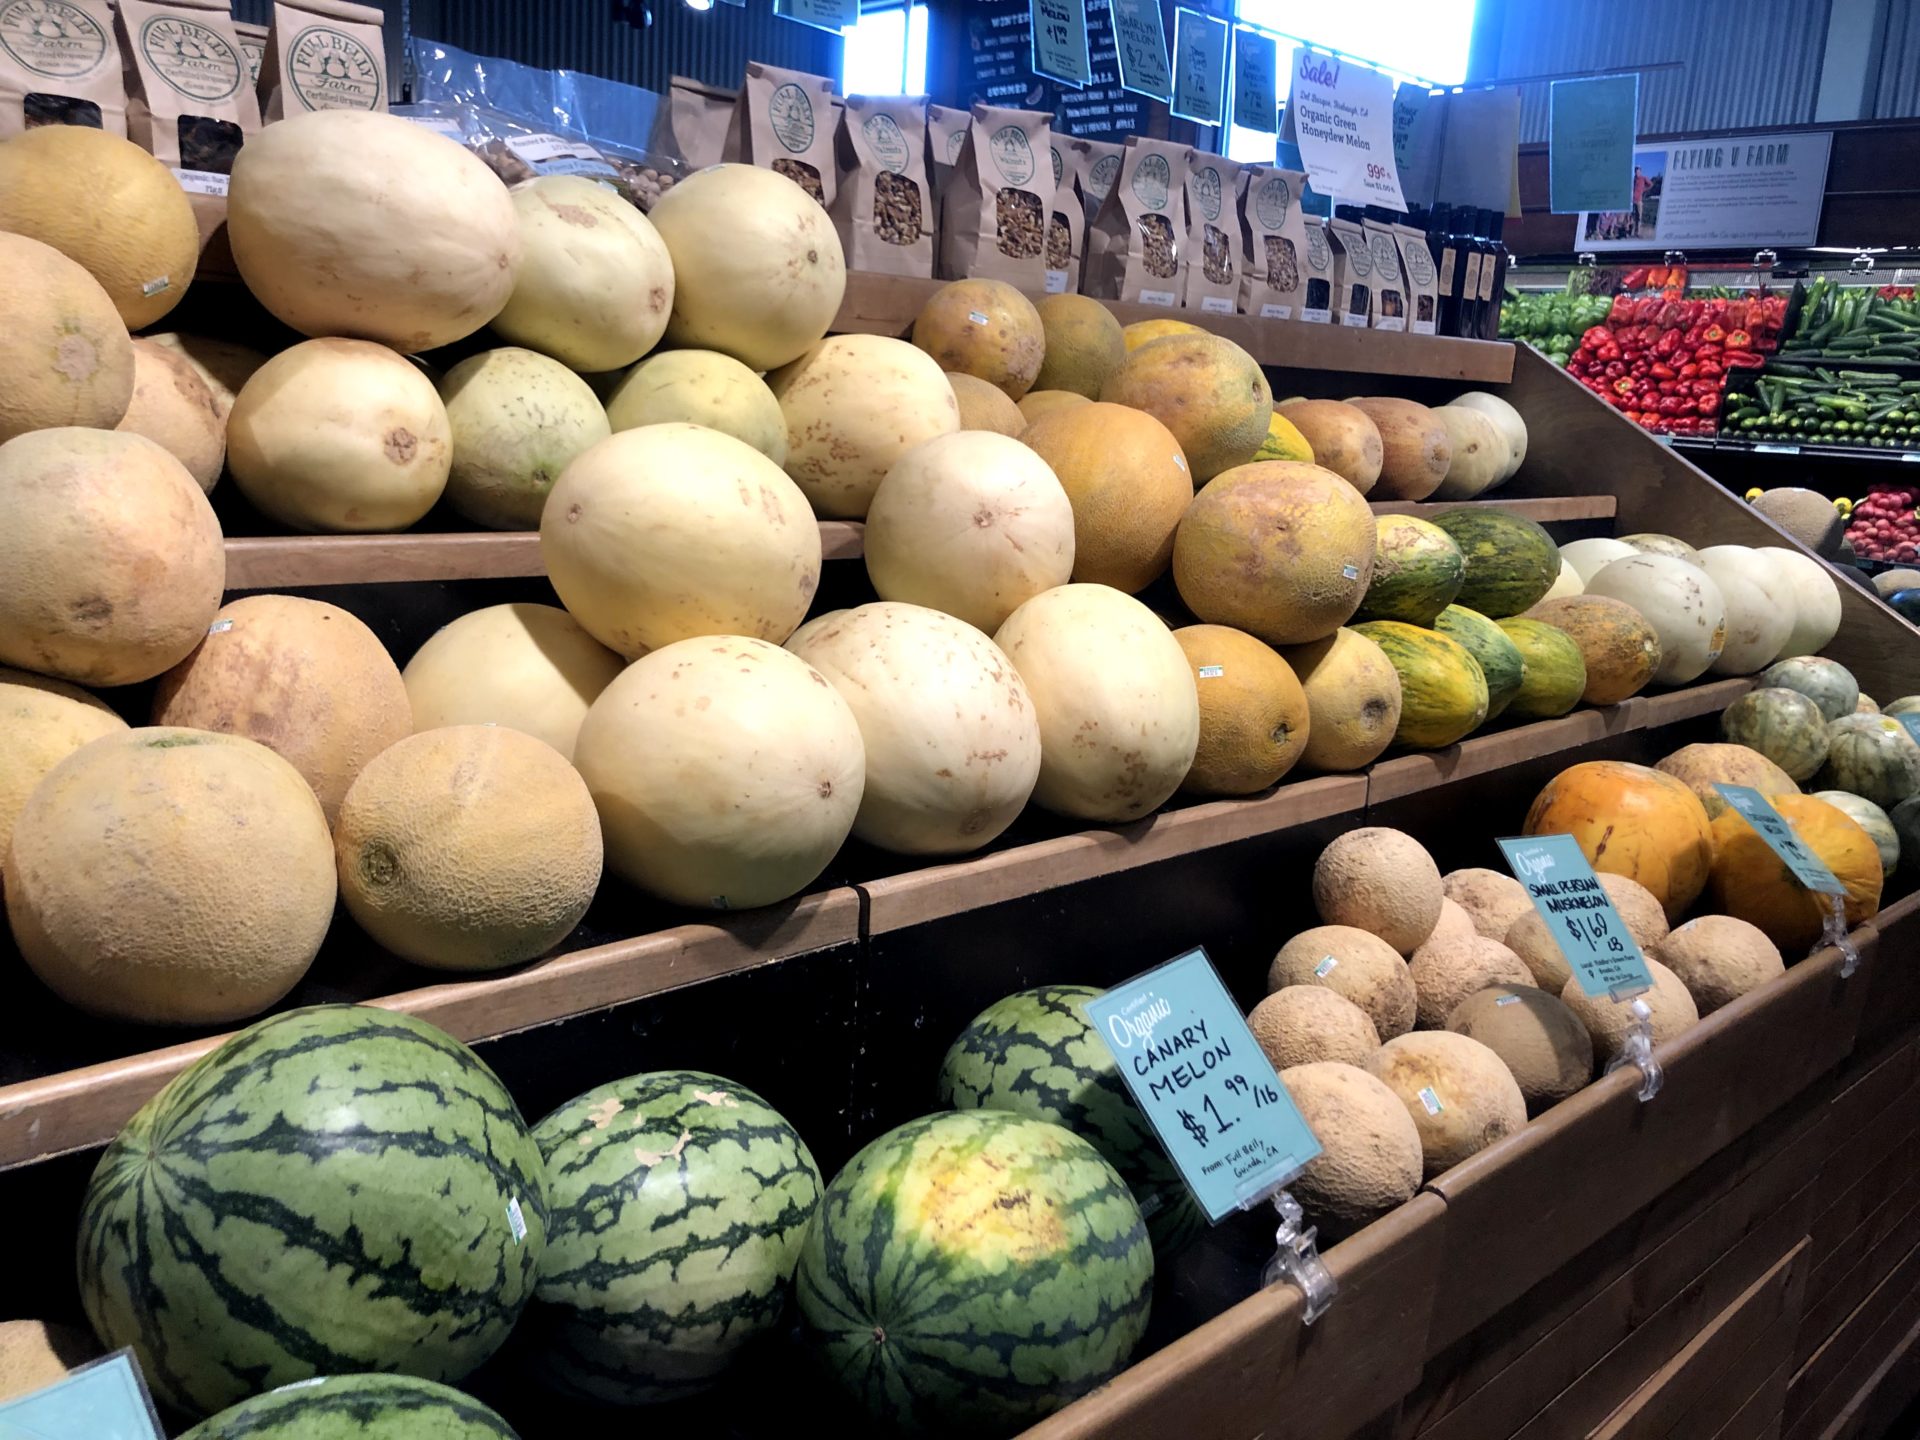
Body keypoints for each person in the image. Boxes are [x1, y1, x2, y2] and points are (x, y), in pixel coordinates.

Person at [1630, 165, 1651, 238]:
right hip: (1632, 201)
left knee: (1639, 217)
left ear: (1640, 172)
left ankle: (1637, 233)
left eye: (1638, 171)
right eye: (1636, 171)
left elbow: (1650, 184)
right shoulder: (1633, 179)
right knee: (1632, 217)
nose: (1637, 172)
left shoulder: (1643, 178)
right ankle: (1631, 232)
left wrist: (1643, 190)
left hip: (1639, 201)